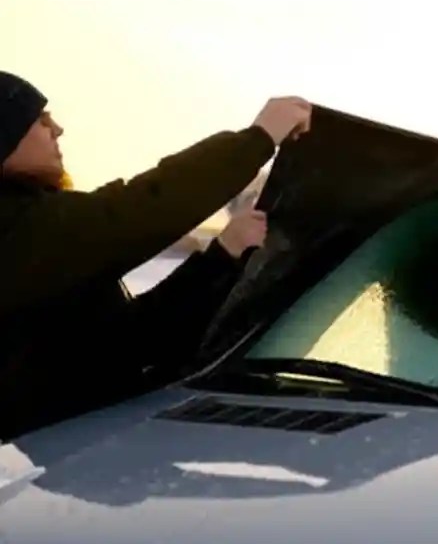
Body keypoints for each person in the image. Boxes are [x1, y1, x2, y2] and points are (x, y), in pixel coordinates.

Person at [0, 70, 312, 440]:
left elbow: (127, 343)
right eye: (39, 118)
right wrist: (257, 139)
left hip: (88, 455)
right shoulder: (18, 232)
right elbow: (138, 210)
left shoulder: (43, 243)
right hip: (59, 461)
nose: (57, 128)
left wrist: (221, 256)